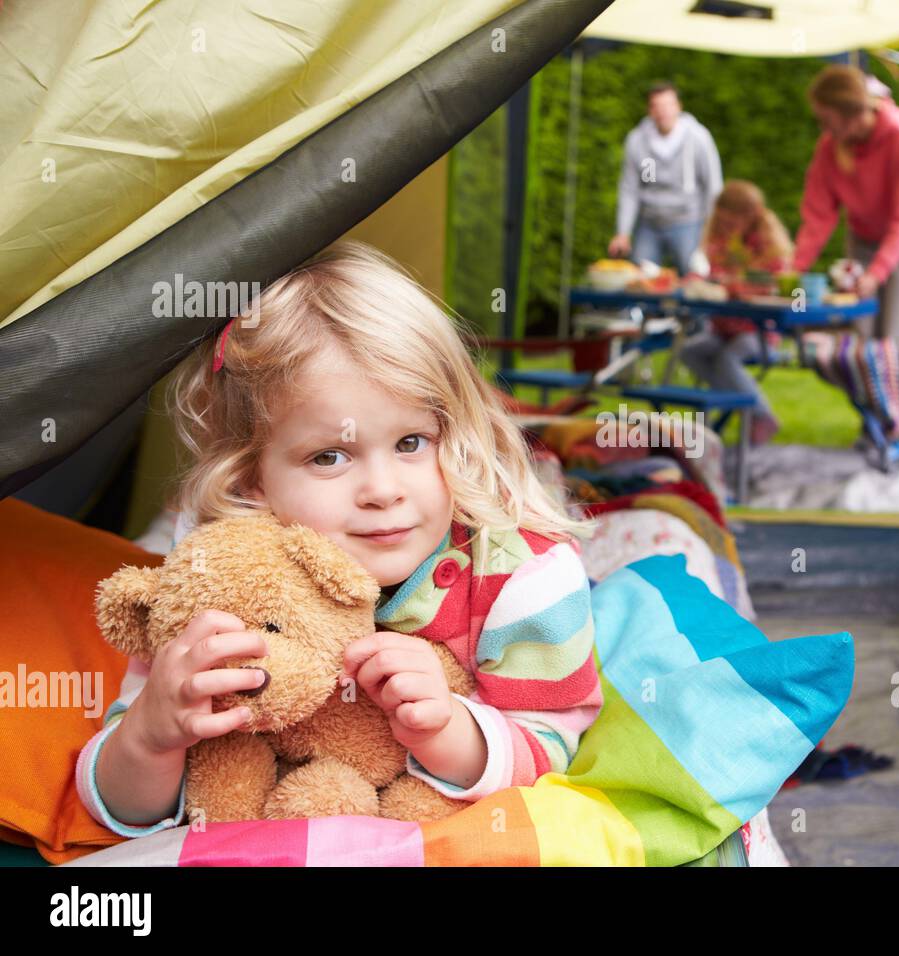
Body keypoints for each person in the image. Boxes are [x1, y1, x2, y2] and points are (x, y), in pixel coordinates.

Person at [76, 241, 604, 835]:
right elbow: (119, 809)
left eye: (411, 443)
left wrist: (451, 732)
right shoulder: (223, 578)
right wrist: (151, 735)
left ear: (452, 432)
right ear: (251, 479)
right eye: (329, 456)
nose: (383, 490)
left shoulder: (523, 579)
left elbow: (551, 748)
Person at [792, 65, 899, 347]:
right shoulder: (829, 148)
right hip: (863, 240)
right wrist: (795, 268)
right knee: (860, 337)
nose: (823, 128)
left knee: (894, 339)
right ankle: (864, 393)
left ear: (851, 115)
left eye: (826, 119)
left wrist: (876, 274)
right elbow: (818, 216)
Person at [680, 180, 792, 445]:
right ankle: (738, 402)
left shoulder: (768, 245)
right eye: (723, 222)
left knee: (727, 358)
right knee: (689, 351)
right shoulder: (719, 241)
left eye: (732, 223)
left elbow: (778, 286)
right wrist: (698, 280)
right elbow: (711, 274)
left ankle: (762, 414)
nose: (727, 228)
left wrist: (744, 288)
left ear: (750, 217)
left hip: (759, 332)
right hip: (723, 328)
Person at [608, 81, 723, 273]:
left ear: (678, 107)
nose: (663, 112)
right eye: (657, 106)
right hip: (650, 224)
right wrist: (623, 232)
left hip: (688, 222)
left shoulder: (698, 137)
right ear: (650, 111)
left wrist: (711, 233)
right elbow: (631, 189)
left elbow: (713, 186)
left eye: (668, 105)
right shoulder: (638, 141)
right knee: (641, 280)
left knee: (694, 278)